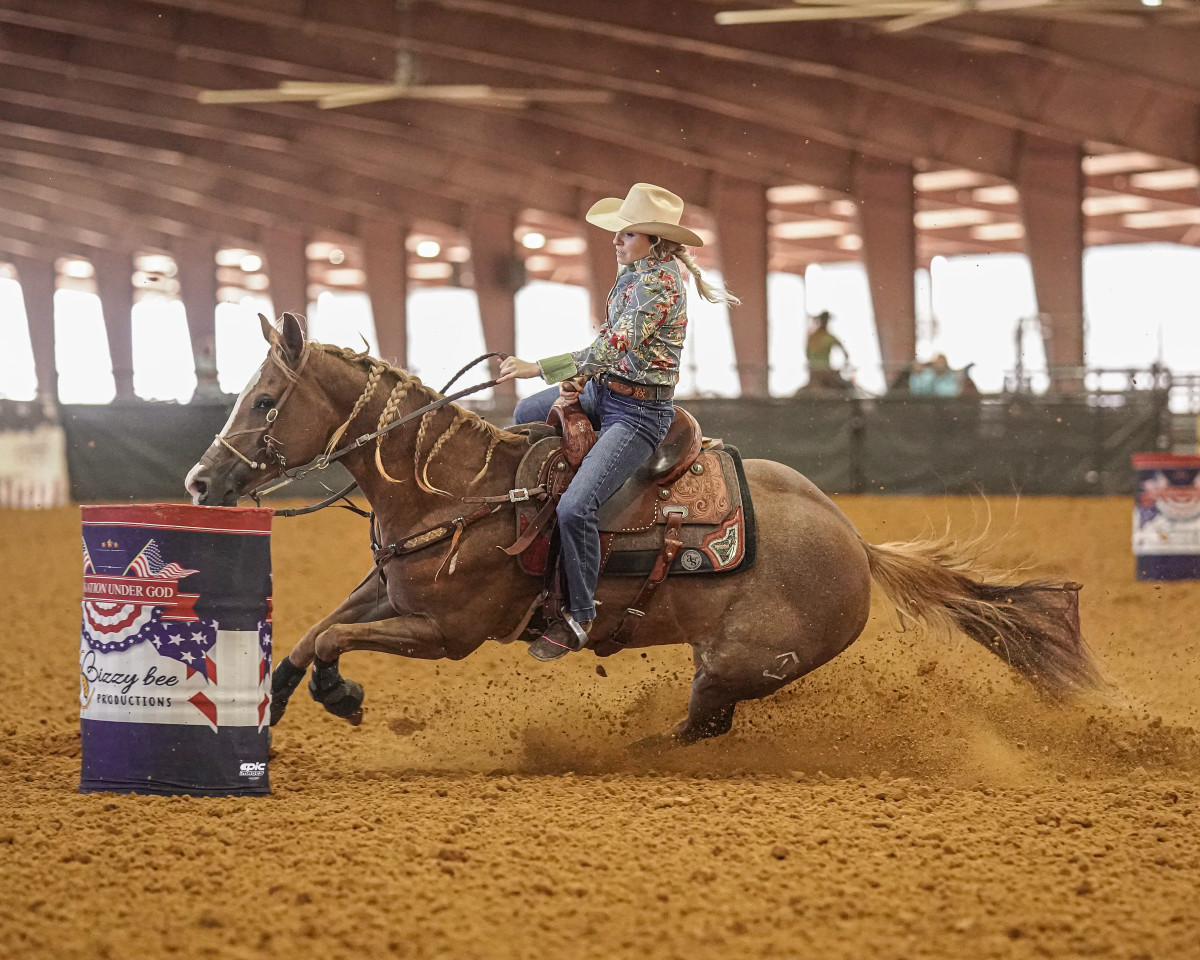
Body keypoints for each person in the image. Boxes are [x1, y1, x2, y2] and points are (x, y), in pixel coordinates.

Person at [498, 183, 739, 662]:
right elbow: (609, 343)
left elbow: (613, 347)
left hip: (638, 414)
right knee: (525, 414)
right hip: (603, 393)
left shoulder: (661, 285)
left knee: (577, 507)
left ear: (653, 239)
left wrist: (540, 368)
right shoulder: (633, 274)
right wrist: (580, 382)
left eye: (626, 234)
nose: (616, 240)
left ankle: (580, 614)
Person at [803, 310, 849, 392]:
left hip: (816, 372)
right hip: (824, 373)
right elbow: (845, 353)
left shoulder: (814, 337)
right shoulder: (827, 337)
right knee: (847, 388)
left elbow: (807, 354)